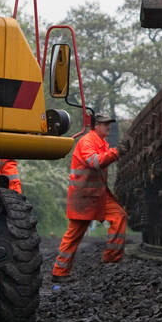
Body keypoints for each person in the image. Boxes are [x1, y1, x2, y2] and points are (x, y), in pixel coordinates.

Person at [51, 113, 126, 288]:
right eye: (105, 124)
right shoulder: (87, 142)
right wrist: (117, 152)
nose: (108, 126)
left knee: (119, 216)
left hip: (97, 195)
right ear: (96, 126)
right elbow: (95, 162)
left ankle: (111, 260)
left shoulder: (101, 143)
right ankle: (59, 272)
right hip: (83, 196)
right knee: (74, 235)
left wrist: (116, 152)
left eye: (109, 123)